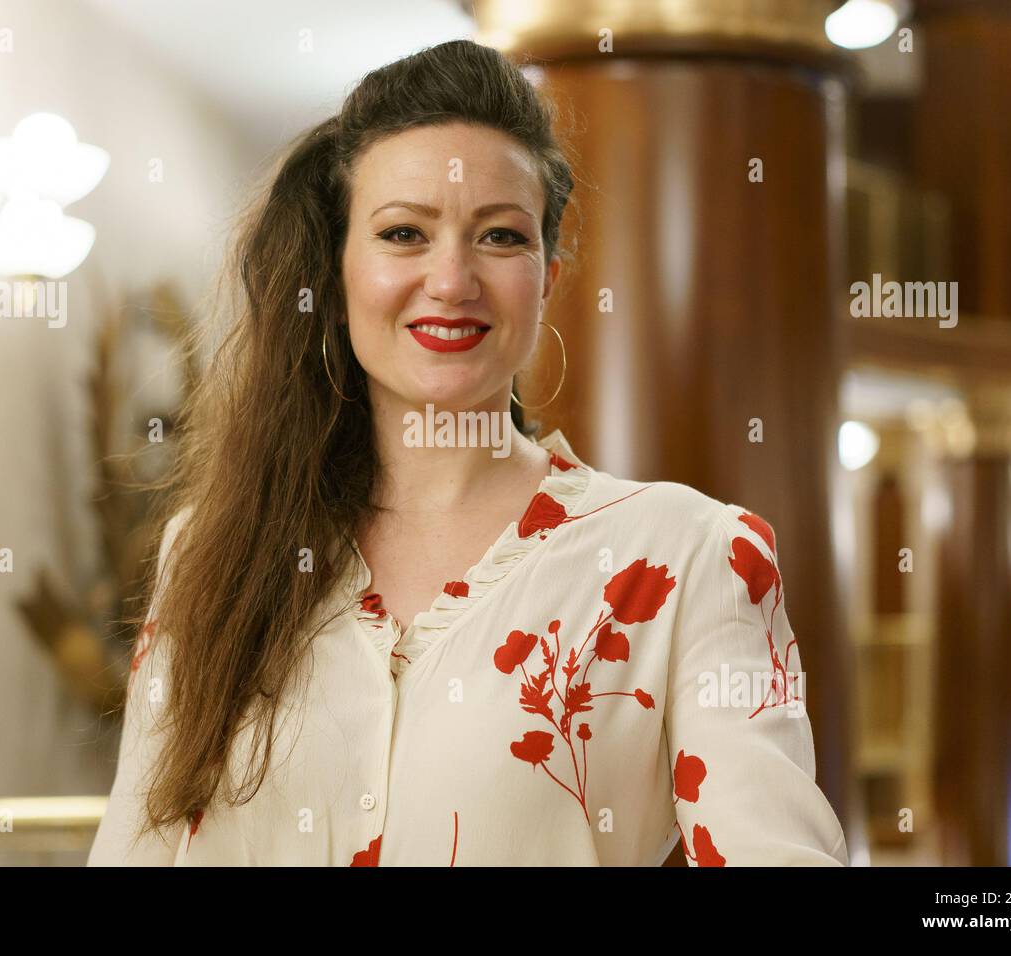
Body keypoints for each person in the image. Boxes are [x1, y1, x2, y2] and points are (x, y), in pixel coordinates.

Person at [87, 38, 847, 867]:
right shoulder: (208, 551)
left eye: (500, 237)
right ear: (336, 271)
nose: (451, 280)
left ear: (549, 273)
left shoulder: (686, 557)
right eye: (405, 233)